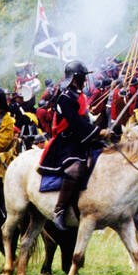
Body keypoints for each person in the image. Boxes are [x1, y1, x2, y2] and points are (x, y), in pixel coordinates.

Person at [38, 60, 105, 231]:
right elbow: (74, 122)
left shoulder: (79, 95)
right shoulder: (64, 98)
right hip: (66, 140)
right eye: (82, 77)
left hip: (80, 136)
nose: (85, 80)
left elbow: (84, 118)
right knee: (75, 170)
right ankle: (59, 210)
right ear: (76, 78)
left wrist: (98, 124)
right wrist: (97, 131)